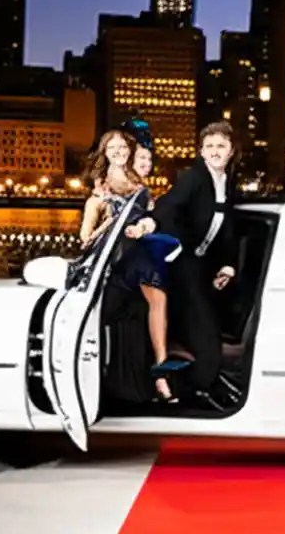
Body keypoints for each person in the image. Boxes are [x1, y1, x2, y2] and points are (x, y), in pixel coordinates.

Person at [130, 121, 238, 408]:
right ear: (201, 152)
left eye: (221, 146)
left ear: (231, 151)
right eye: (210, 146)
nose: (215, 152)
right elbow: (170, 203)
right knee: (206, 333)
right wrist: (151, 222)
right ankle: (196, 388)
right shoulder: (193, 177)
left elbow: (229, 229)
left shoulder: (229, 183)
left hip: (204, 268)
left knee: (206, 327)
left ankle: (192, 384)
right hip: (182, 265)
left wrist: (228, 265)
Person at [76, 129, 181, 403]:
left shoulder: (140, 186)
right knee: (155, 292)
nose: (119, 151)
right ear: (104, 152)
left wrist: (146, 223)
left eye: (123, 147)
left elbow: (152, 217)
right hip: (118, 262)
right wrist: (112, 223)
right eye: (112, 147)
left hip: (141, 252)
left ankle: (156, 375)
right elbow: (85, 238)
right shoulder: (100, 190)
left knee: (151, 307)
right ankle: (161, 375)